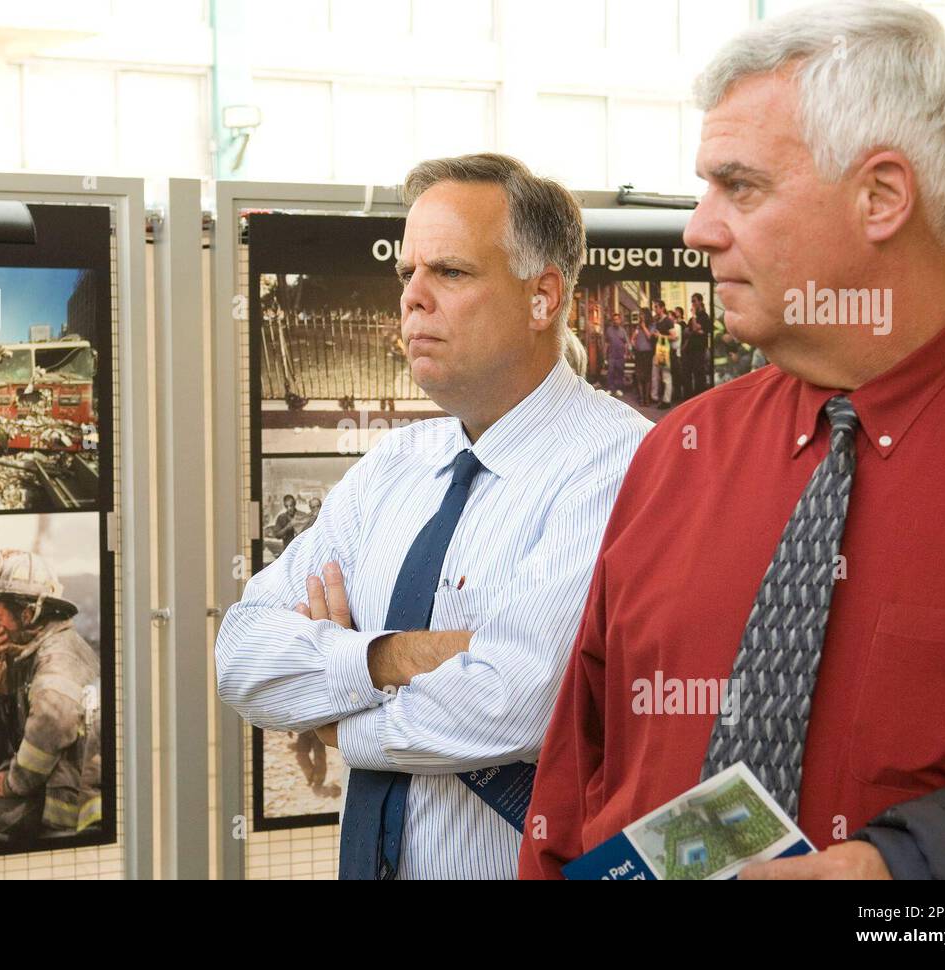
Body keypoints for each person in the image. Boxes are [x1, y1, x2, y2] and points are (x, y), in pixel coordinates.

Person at [522, 0, 945, 880]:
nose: (698, 228)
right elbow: (578, 773)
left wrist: (902, 872)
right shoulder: (677, 453)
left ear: (881, 197)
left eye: (742, 186)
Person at [217, 153, 651, 880]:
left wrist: (332, 703)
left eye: (449, 272)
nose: (412, 299)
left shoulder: (616, 464)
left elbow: (515, 700)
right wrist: (390, 656)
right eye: (406, 275)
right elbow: (241, 656)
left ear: (544, 296)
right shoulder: (396, 465)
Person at [0, 550, 102, 847]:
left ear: (28, 613)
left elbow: (50, 726)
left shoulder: (57, 660)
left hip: (59, 794)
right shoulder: (23, 650)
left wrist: (10, 783)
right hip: (32, 778)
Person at [605, 312, 628, 398]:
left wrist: (626, 354)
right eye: (614, 319)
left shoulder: (623, 331)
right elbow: (606, 343)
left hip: (620, 356)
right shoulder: (609, 330)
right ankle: (610, 389)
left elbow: (626, 343)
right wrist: (605, 355)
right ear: (612, 321)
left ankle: (619, 389)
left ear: (620, 320)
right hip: (611, 355)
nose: (616, 321)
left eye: (617, 319)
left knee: (619, 372)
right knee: (610, 372)